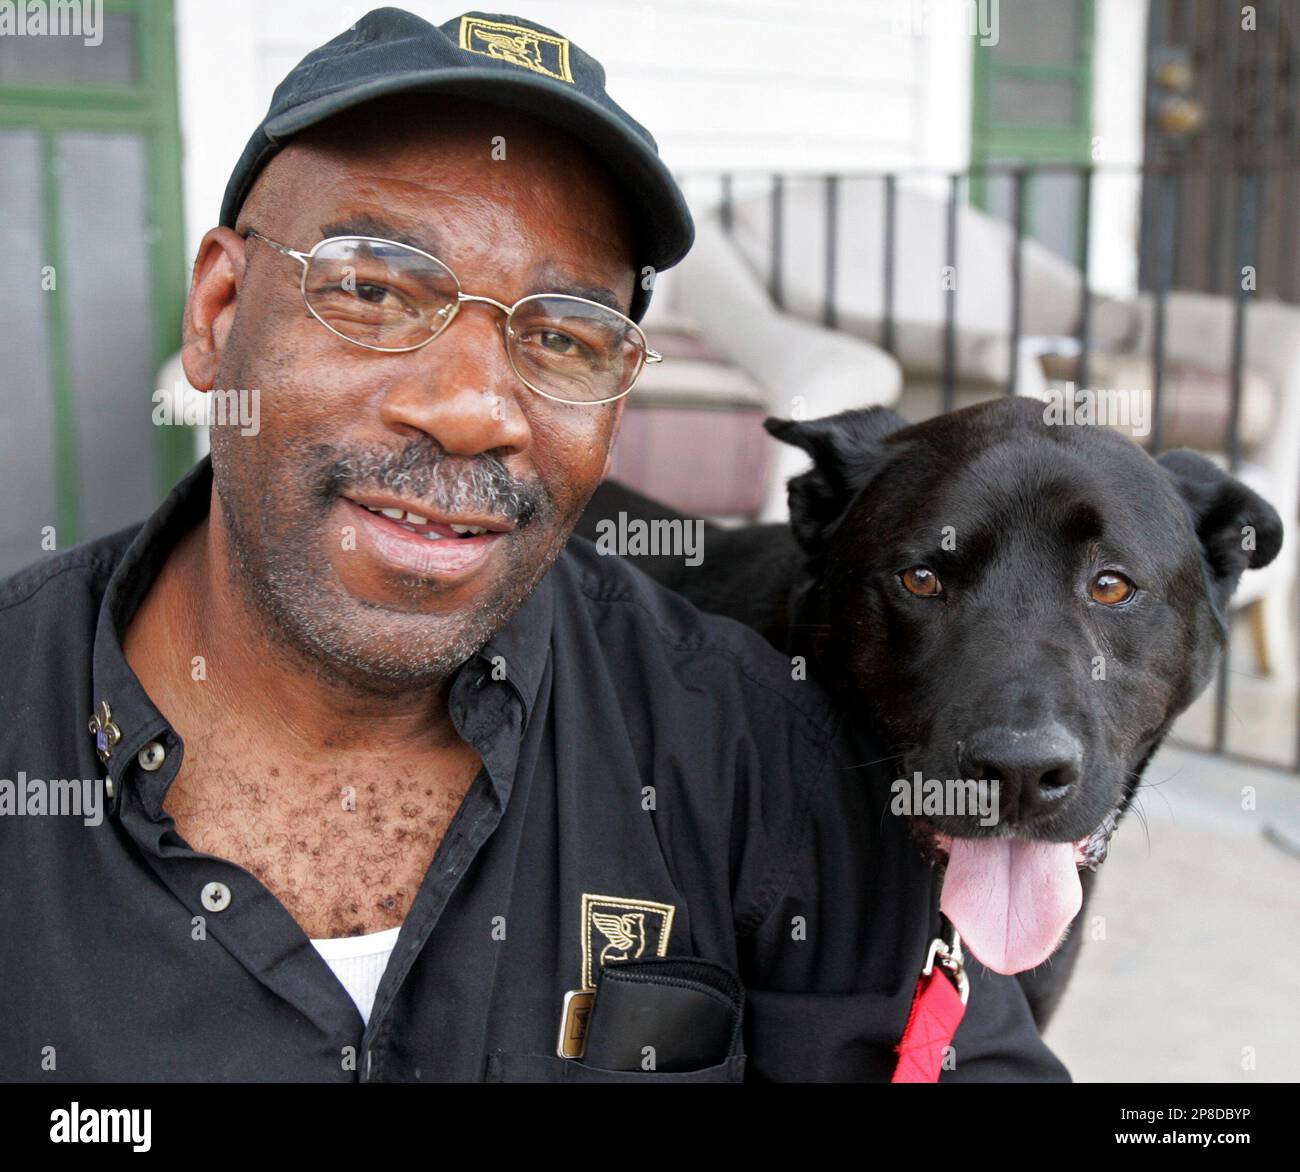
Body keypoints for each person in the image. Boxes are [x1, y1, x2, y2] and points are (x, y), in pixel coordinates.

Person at [0, 7, 1067, 1082]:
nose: (471, 408)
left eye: (562, 336)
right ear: (222, 311)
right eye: (372, 289)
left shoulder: (747, 751)